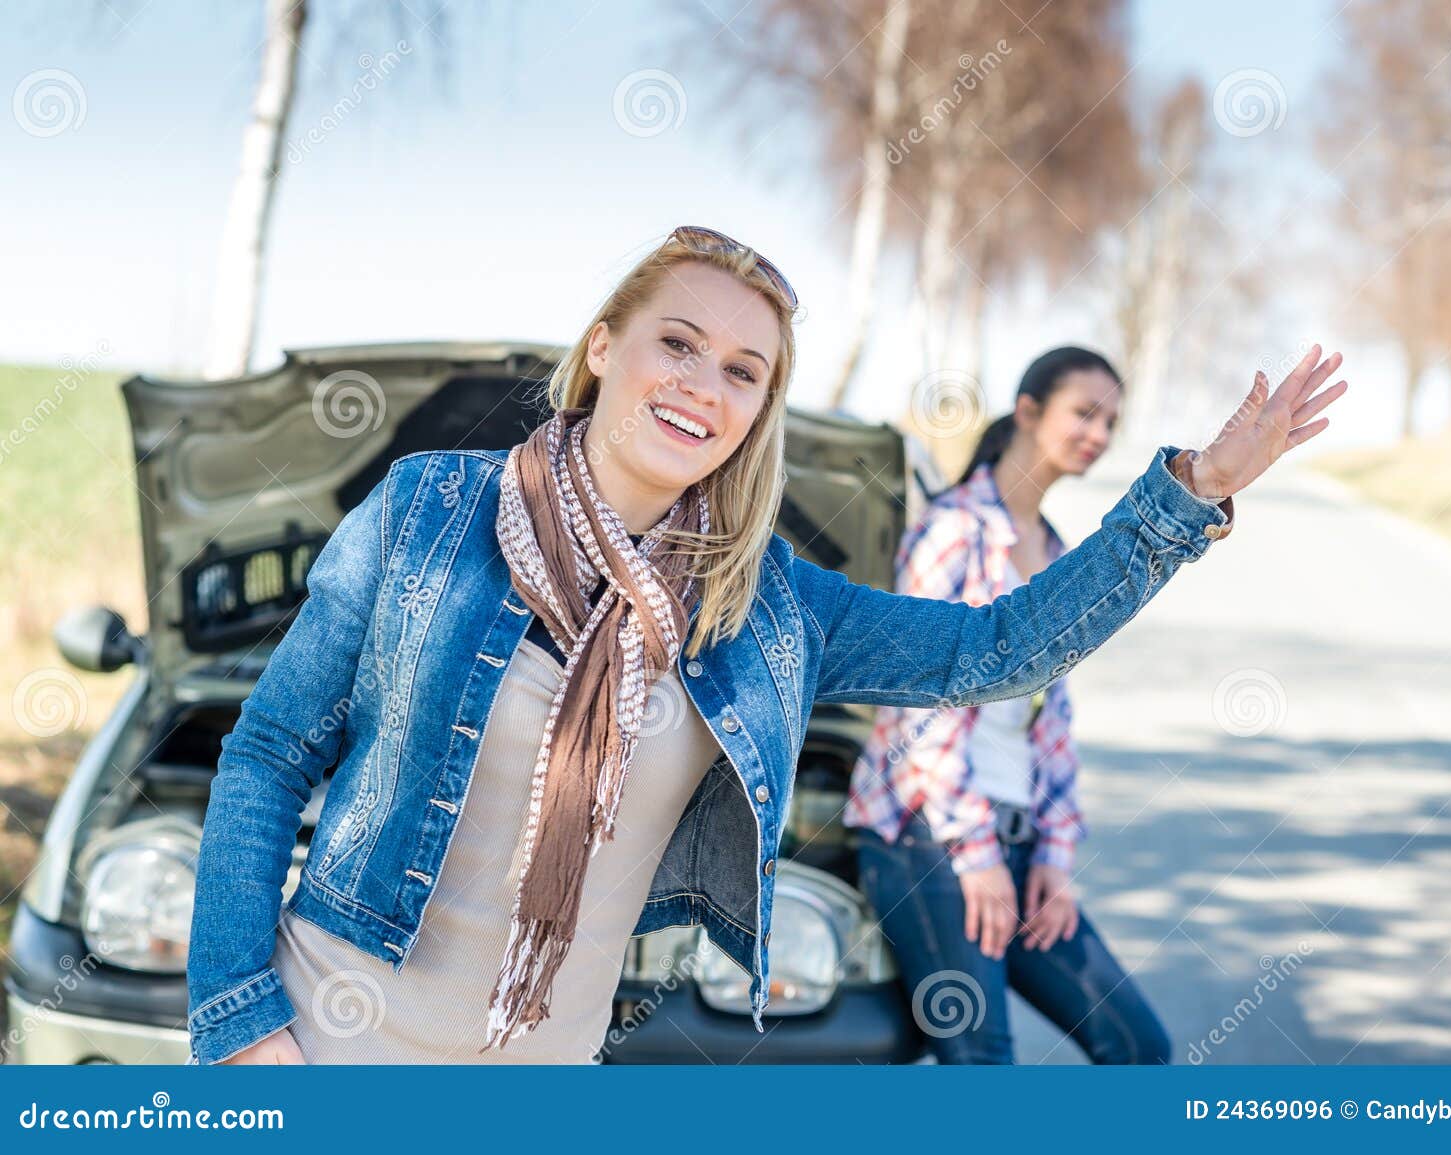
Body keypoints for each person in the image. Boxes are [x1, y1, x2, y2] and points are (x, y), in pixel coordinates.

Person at [184, 224, 1348, 1064]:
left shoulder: (766, 606)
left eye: (744, 371)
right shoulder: (429, 510)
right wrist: (242, 1026)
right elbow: (271, 751)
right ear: (603, 348)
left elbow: (997, 650)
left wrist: (1189, 494)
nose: (704, 385)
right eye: (677, 344)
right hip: (330, 1047)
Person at [848, 346, 1213, 1064]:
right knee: (983, 1065)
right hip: (927, 835)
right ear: (1027, 411)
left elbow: (1053, 725)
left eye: (1111, 420)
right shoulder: (953, 530)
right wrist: (973, 853)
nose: (1100, 434)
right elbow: (918, 704)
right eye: (1085, 412)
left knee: (1138, 1045)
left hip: (1016, 840)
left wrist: (1052, 852)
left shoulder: (1053, 548)